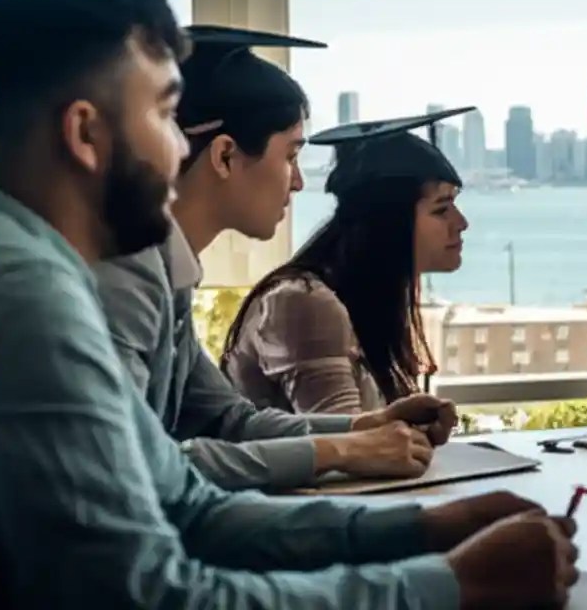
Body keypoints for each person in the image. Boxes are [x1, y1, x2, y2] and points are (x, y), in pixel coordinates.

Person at [0, 0, 577, 608]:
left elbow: (189, 508)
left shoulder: (46, 270)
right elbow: (149, 597)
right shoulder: (18, 291)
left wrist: (421, 528)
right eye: (161, 114)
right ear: (84, 134)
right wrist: (451, 586)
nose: (180, 147)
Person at [94, 25, 455, 492]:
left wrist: (363, 428)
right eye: (291, 155)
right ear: (225, 157)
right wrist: (339, 451)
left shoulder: (171, 277)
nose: (299, 182)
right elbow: (132, 465)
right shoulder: (120, 278)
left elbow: (229, 421)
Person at [224, 109, 471, 416]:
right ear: (388, 221)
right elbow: (348, 449)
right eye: (441, 209)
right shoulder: (303, 302)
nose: (461, 223)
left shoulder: (366, 302)